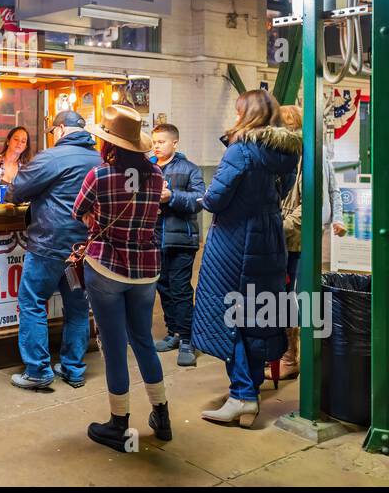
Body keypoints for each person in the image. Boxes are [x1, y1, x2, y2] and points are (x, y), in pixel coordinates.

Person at [193, 89, 301, 428]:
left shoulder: (241, 150)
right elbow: (279, 195)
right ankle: (249, 390)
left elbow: (215, 200)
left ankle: (242, 396)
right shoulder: (285, 153)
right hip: (269, 239)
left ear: (246, 114)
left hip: (234, 242)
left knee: (232, 317)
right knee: (254, 315)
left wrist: (202, 196)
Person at [72, 105, 170, 451]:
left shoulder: (98, 176)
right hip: (145, 270)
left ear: (109, 143)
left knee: (114, 347)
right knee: (143, 339)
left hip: (106, 268)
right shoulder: (156, 177)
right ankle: (162, 414)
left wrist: (97, 223)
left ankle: (119, 423)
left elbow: (78, 211)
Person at [7, 109, 99, 390]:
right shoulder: (99, 159)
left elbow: (18, 189)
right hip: (83, 249)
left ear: (59, 129)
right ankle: (72, 369)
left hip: (49, 245)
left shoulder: (51, 157)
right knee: (78, 307)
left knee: (33, 302)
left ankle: (38, 371)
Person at [272, 104, 346, 381]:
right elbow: (331, 191)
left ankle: (293, 357)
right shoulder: (300, 153)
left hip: (298, 237)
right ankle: (290, 354)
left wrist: (275, 224)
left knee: (297, 298)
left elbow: (325, 193)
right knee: (290, 297)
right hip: (295, 234)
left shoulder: (306, 155)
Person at [148, 123, 205, 367]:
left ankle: (187, 340)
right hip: (154, 239)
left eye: (161, 141)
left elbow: (200, 200)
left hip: (182, 240)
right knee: (164, 288)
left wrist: (172, 197)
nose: (157, 146)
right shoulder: (147, 168)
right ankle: (172, 333)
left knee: (181, 289)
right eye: (154, 142)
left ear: (174, 143)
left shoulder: (189, 169)